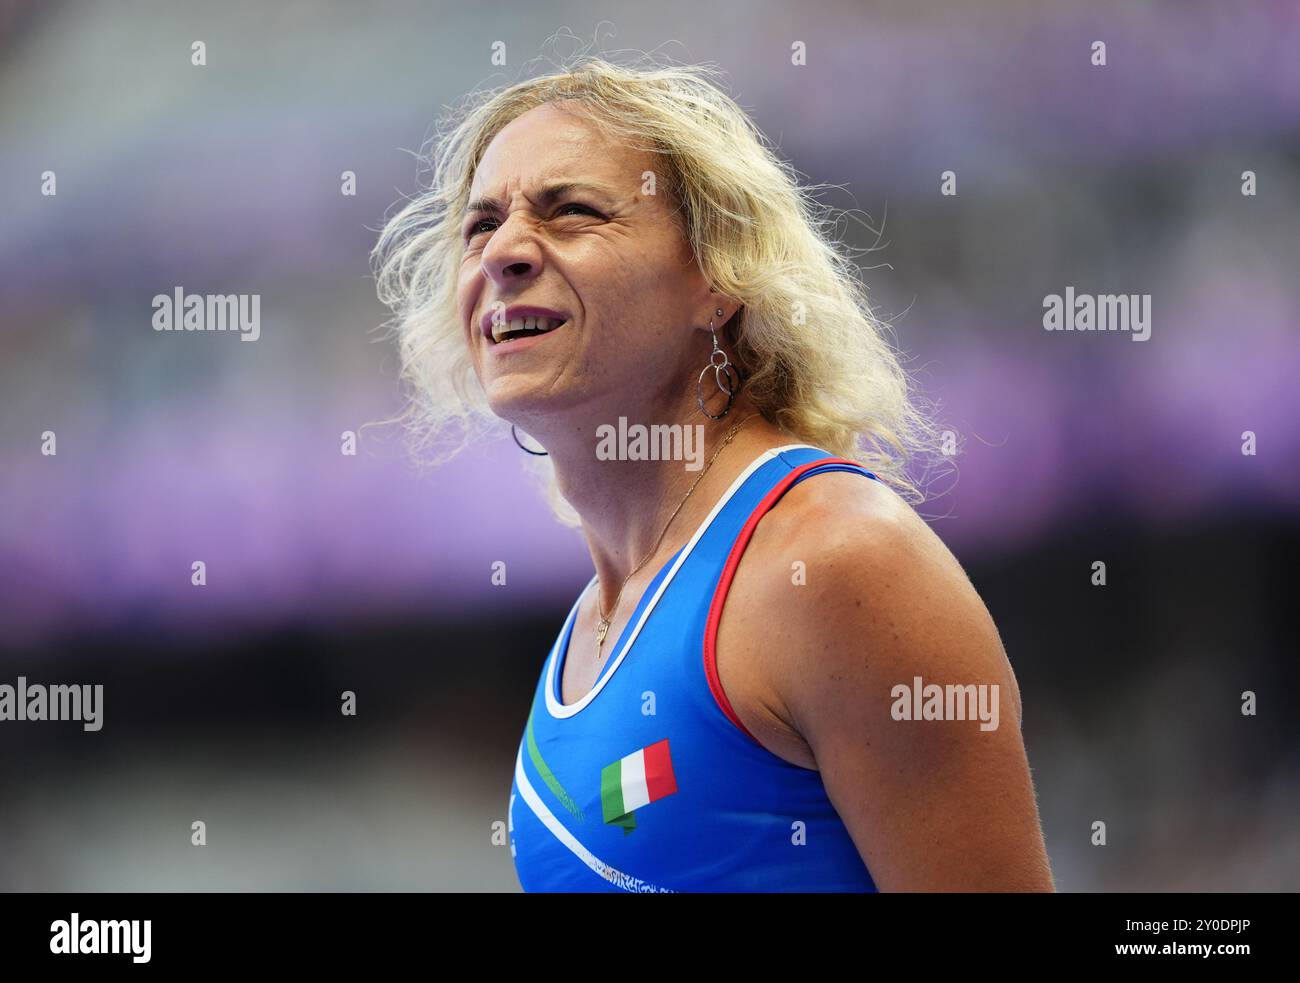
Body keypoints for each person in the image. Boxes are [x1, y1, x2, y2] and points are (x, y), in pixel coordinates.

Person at [372, 56, 1055, 892]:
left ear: (717, 279)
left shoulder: (834, 563)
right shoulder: (595, 622)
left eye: (573, 211)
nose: (503, 252)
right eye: (481, 226)